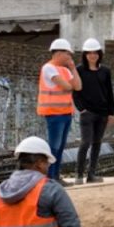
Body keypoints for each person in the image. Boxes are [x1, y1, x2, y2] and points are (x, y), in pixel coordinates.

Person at [72, 38, 114, 184]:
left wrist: (111, 113)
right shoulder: (79, 70)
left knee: (97, 143)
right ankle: (79, 175)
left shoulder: (105, 71)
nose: (92, 55)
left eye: (95, 53)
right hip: (87, 113)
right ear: (85, 54)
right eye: (89, 53)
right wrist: (81, 108)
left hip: (102, 113)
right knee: (85, 142)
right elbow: (75, 91)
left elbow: (109, 93)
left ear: (99, 54)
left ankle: (91, 175)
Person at [38, 38, 82, 181]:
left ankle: (56, 176)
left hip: (66, 113)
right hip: (54, 114)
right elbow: (68, 87)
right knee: (54, 147)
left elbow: (78, 86)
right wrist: (71, 73)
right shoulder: (48, 68)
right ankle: (51, 176)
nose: (70, 57)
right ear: (58, 53)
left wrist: (73, 69)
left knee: (61, 147)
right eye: (67, 54)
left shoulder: (64, 69)